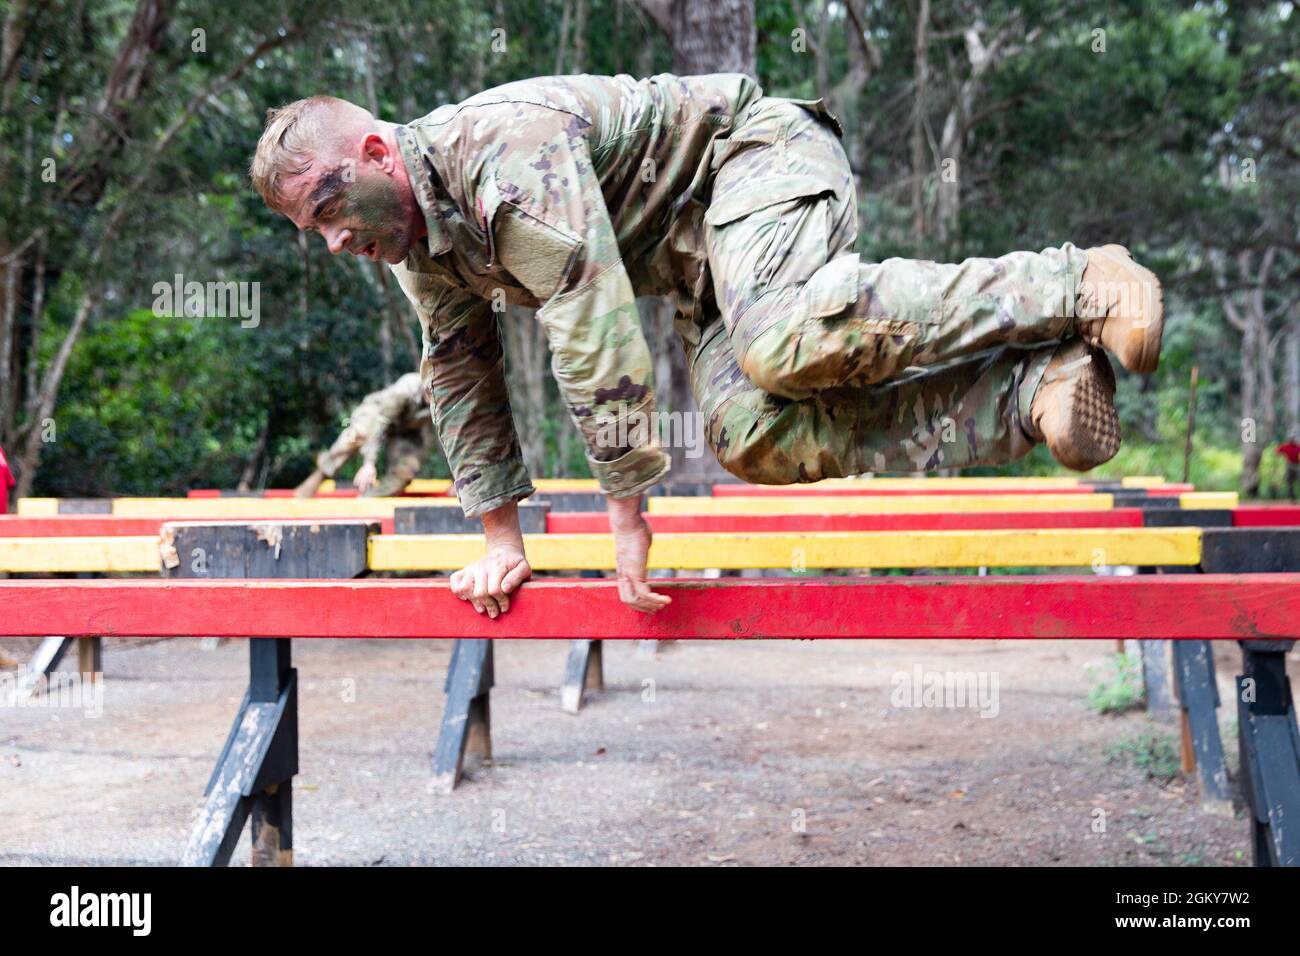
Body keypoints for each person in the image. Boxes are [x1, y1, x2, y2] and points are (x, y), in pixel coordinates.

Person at [251, 73, 1164, 614]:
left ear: (375, 153)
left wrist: (626, 510)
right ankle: (1033, 392)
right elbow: (461, 378)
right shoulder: (421, 249)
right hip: (704, 268)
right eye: (312, 231)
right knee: (745, 434)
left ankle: (1079, 280)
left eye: (331, 207)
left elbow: (591, 316)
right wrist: (501, 541)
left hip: (750, 156)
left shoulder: (500, 154)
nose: (335, 241)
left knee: (781, 339)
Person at [296, 372, 435, 498]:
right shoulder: (405, 390)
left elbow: (450, 435)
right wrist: (369, 463)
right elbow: (380, 425)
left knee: (408, 467)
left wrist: (456, 480)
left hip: (405, 428)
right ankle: (314, 481)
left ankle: (371, 497)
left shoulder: (444, 397)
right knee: (357, 435)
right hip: (377, 415)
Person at [1278, 434, 1300, 501]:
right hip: (1289, 465)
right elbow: (1278, 450)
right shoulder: (1286, 446)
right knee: (1289, 481)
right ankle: (1292, 497)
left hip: (1296, 465)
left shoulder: (1297, 446)